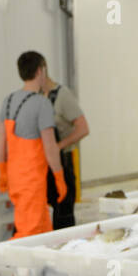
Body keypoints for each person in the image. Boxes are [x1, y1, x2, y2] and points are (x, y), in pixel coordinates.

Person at [0, 51, 66, 239]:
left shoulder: (8, 101)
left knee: (43, 228)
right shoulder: (41, 103)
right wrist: (59, 176)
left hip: (15, 177)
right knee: (30, 233)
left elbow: (1, 141)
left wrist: (2, 170)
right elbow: (50, 147)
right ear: (40, 71)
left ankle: (43, 266)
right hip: (32, 180)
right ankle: (16, 266)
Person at [41, 64, 89, 229]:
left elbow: (83, 128)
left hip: (64, 163)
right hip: (44, 167)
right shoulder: (37, 96)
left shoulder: (62, 95)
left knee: (64, 219)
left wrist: (58, 145)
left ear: (42, 71)